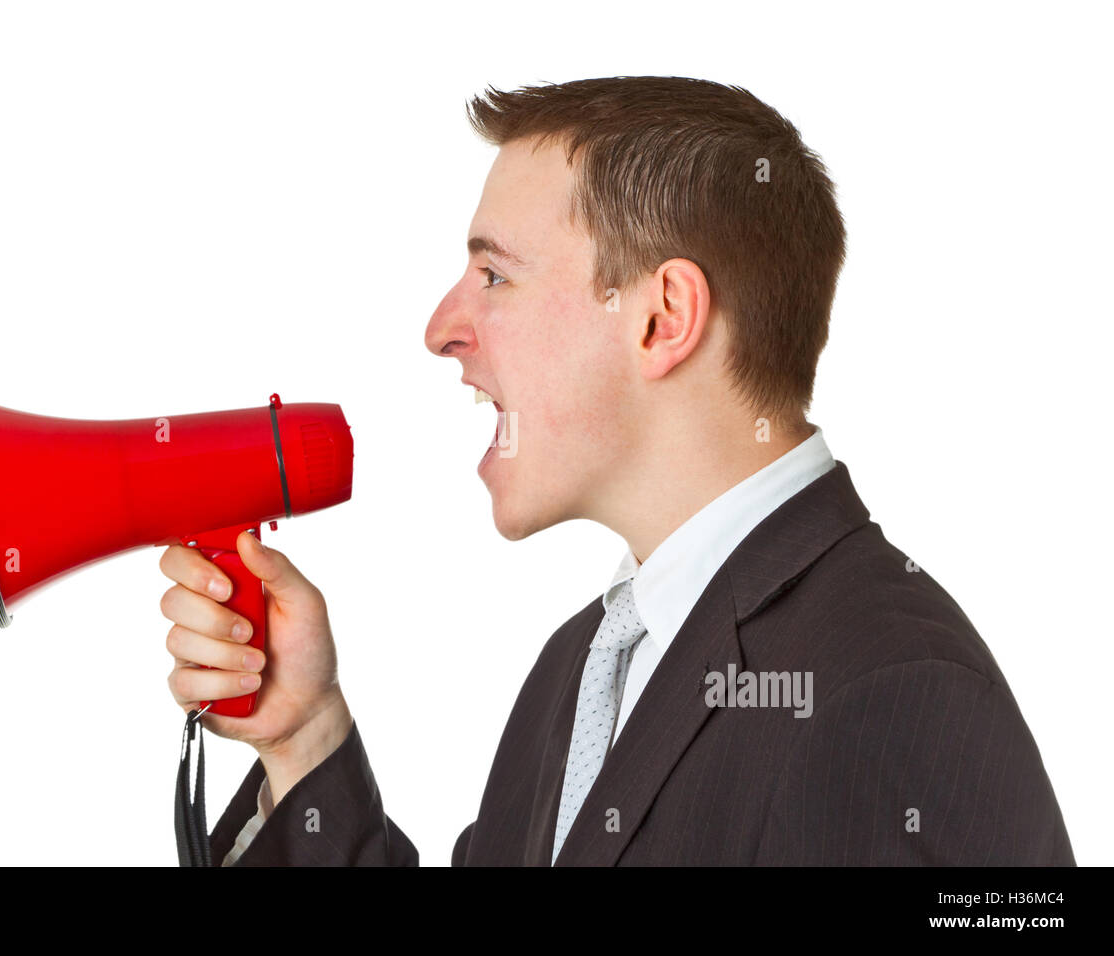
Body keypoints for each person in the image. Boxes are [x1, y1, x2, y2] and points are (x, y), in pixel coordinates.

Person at [159, 76, 1075, 866]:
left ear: (662, 316)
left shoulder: (892, 692)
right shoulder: (584, 667)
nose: (441, 328)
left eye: (496, 277)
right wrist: (304, 739)